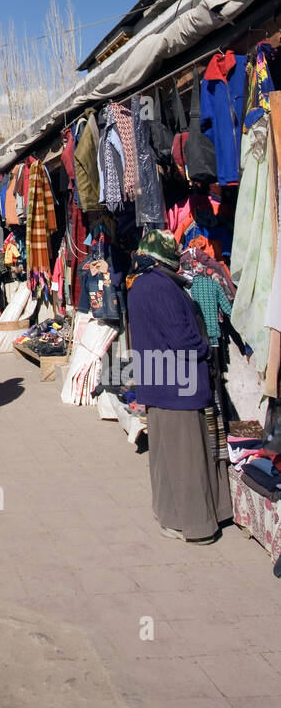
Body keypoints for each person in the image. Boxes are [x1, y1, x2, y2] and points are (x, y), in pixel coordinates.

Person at [127, 231, 233, 544]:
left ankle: (172, 517)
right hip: (177, 385)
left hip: (160, 383)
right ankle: (195, 525)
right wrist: (205, 347)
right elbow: (181, 338)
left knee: (166, 458)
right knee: (187, 458)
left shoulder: (141, 285)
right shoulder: (162, 287)